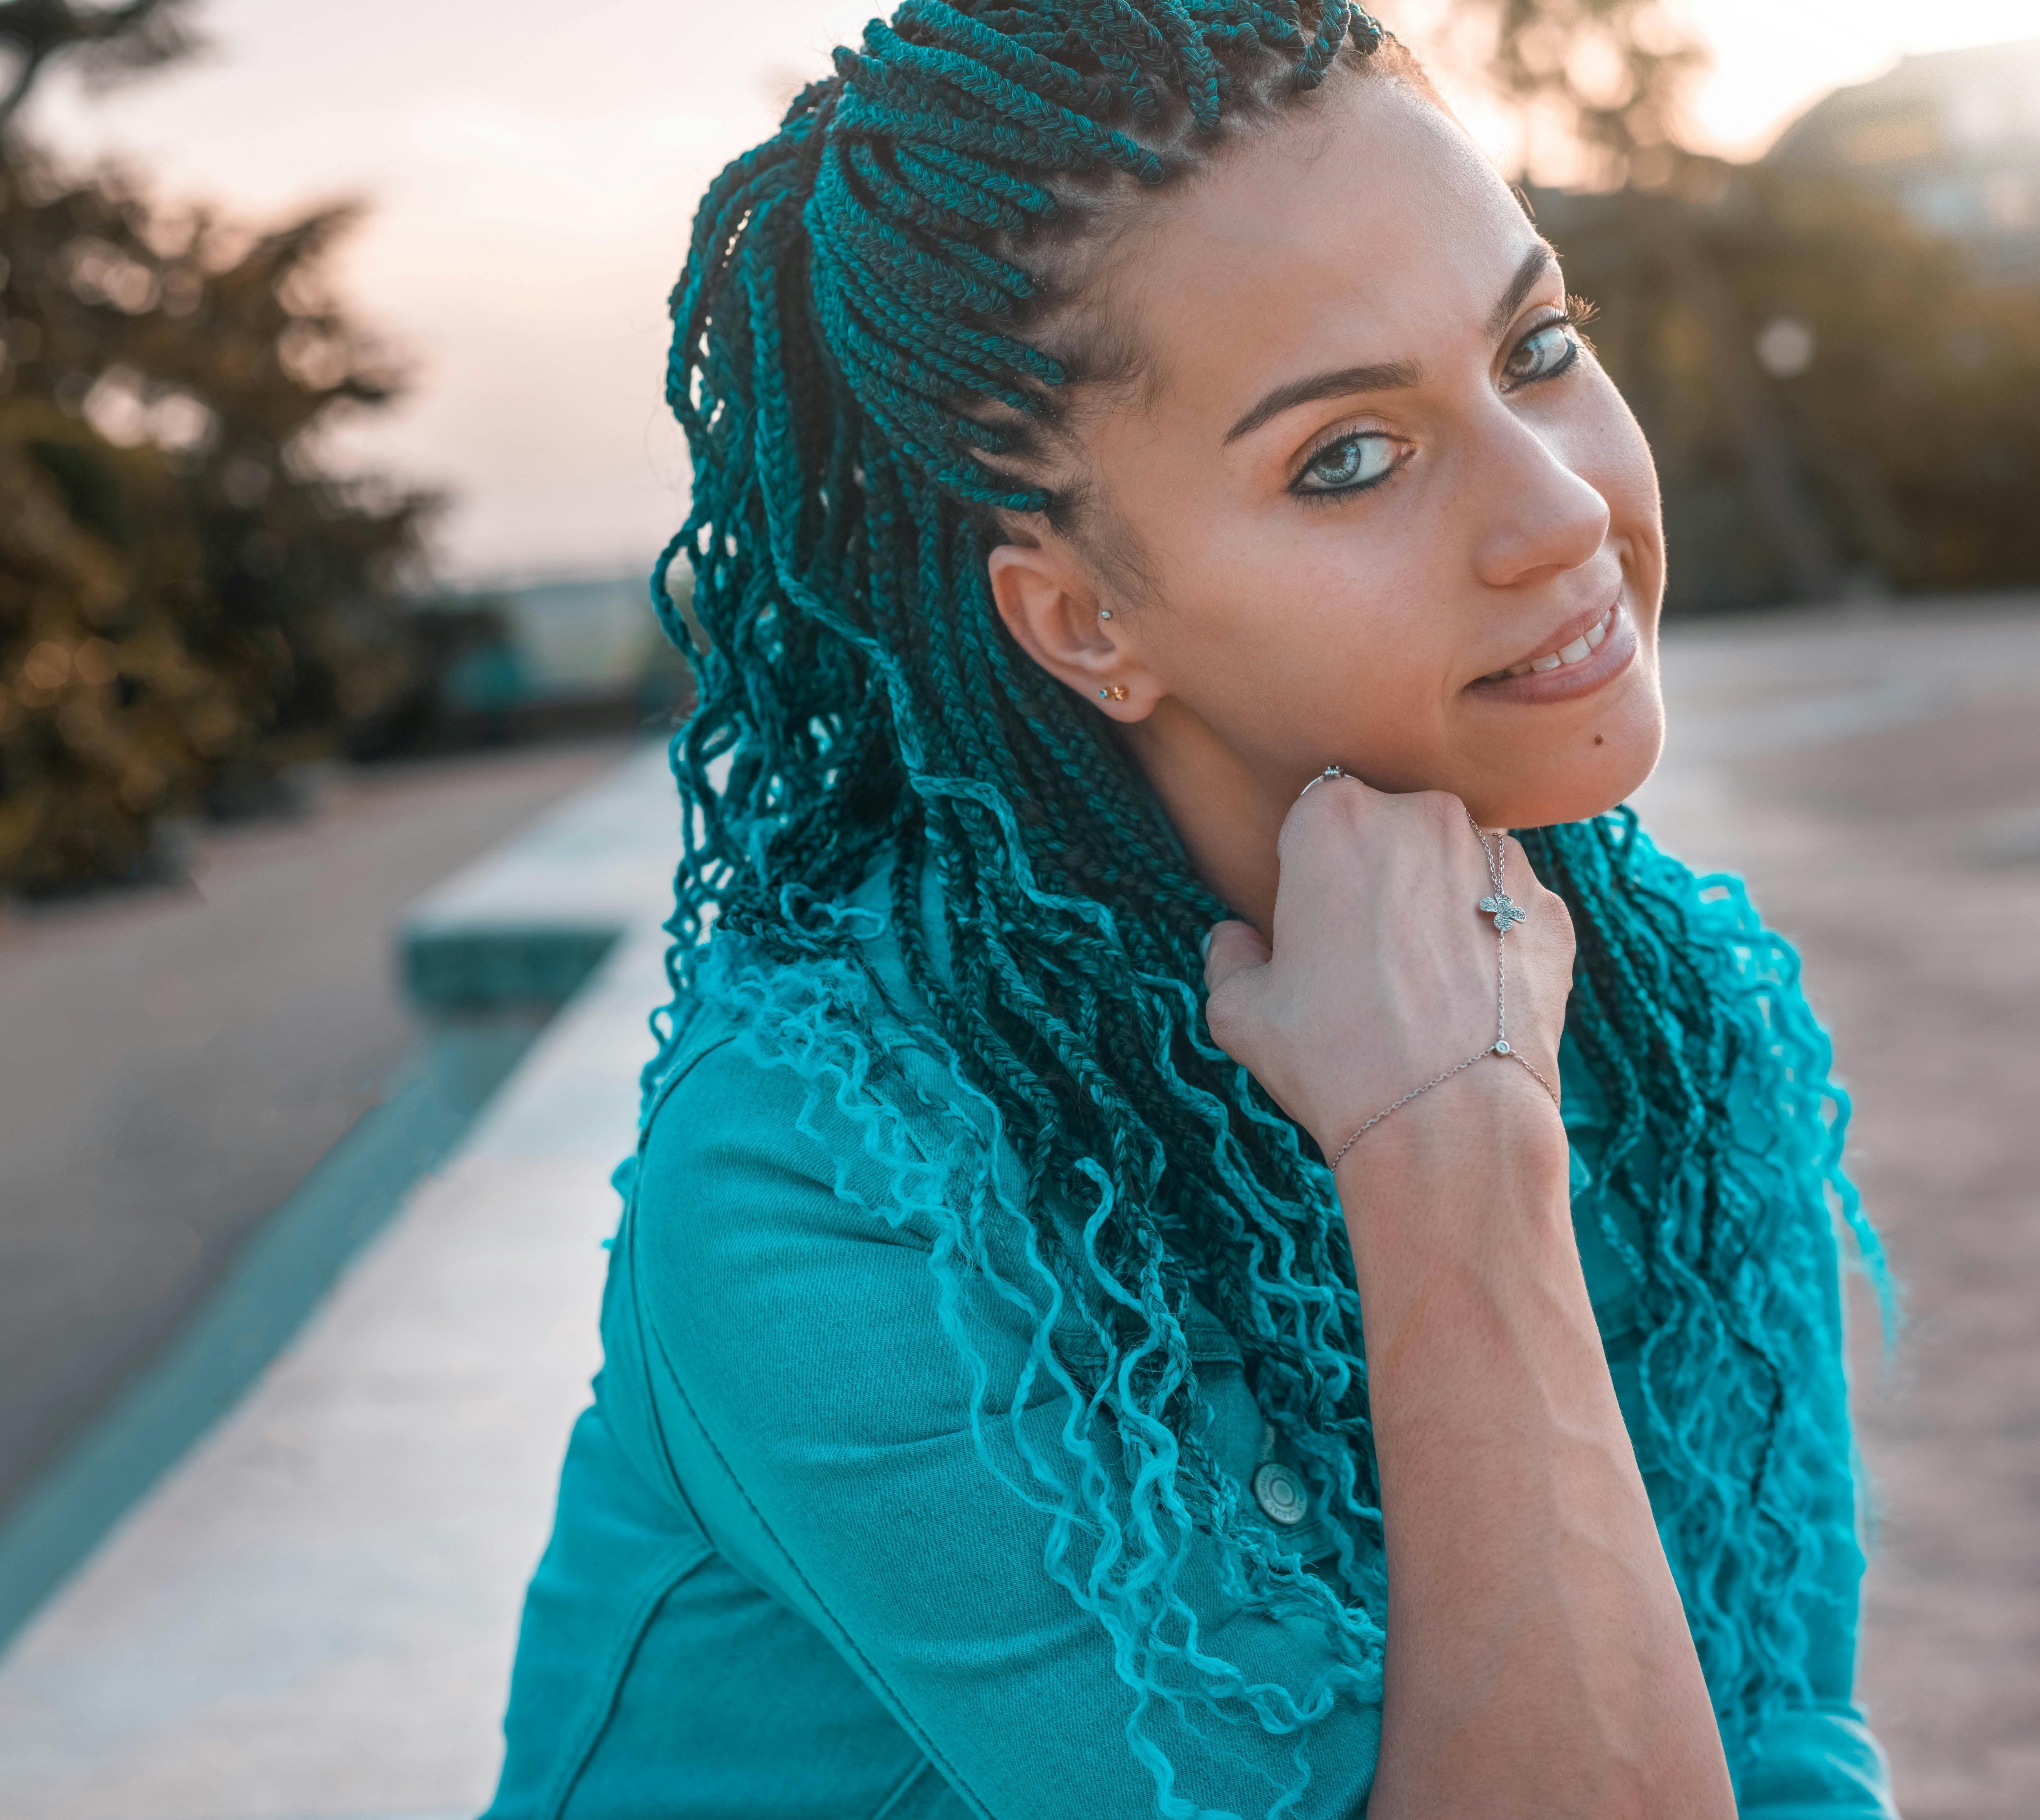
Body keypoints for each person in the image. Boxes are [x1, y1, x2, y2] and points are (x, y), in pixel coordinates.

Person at [483, 2, 1897, 1815]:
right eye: (1350, 459)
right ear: (1084, 619)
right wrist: (1447, 1145)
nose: (1558, 510)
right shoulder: (830, 1191)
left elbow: (1775, 1741)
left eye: (1536, 346)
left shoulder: (1665, 1004)